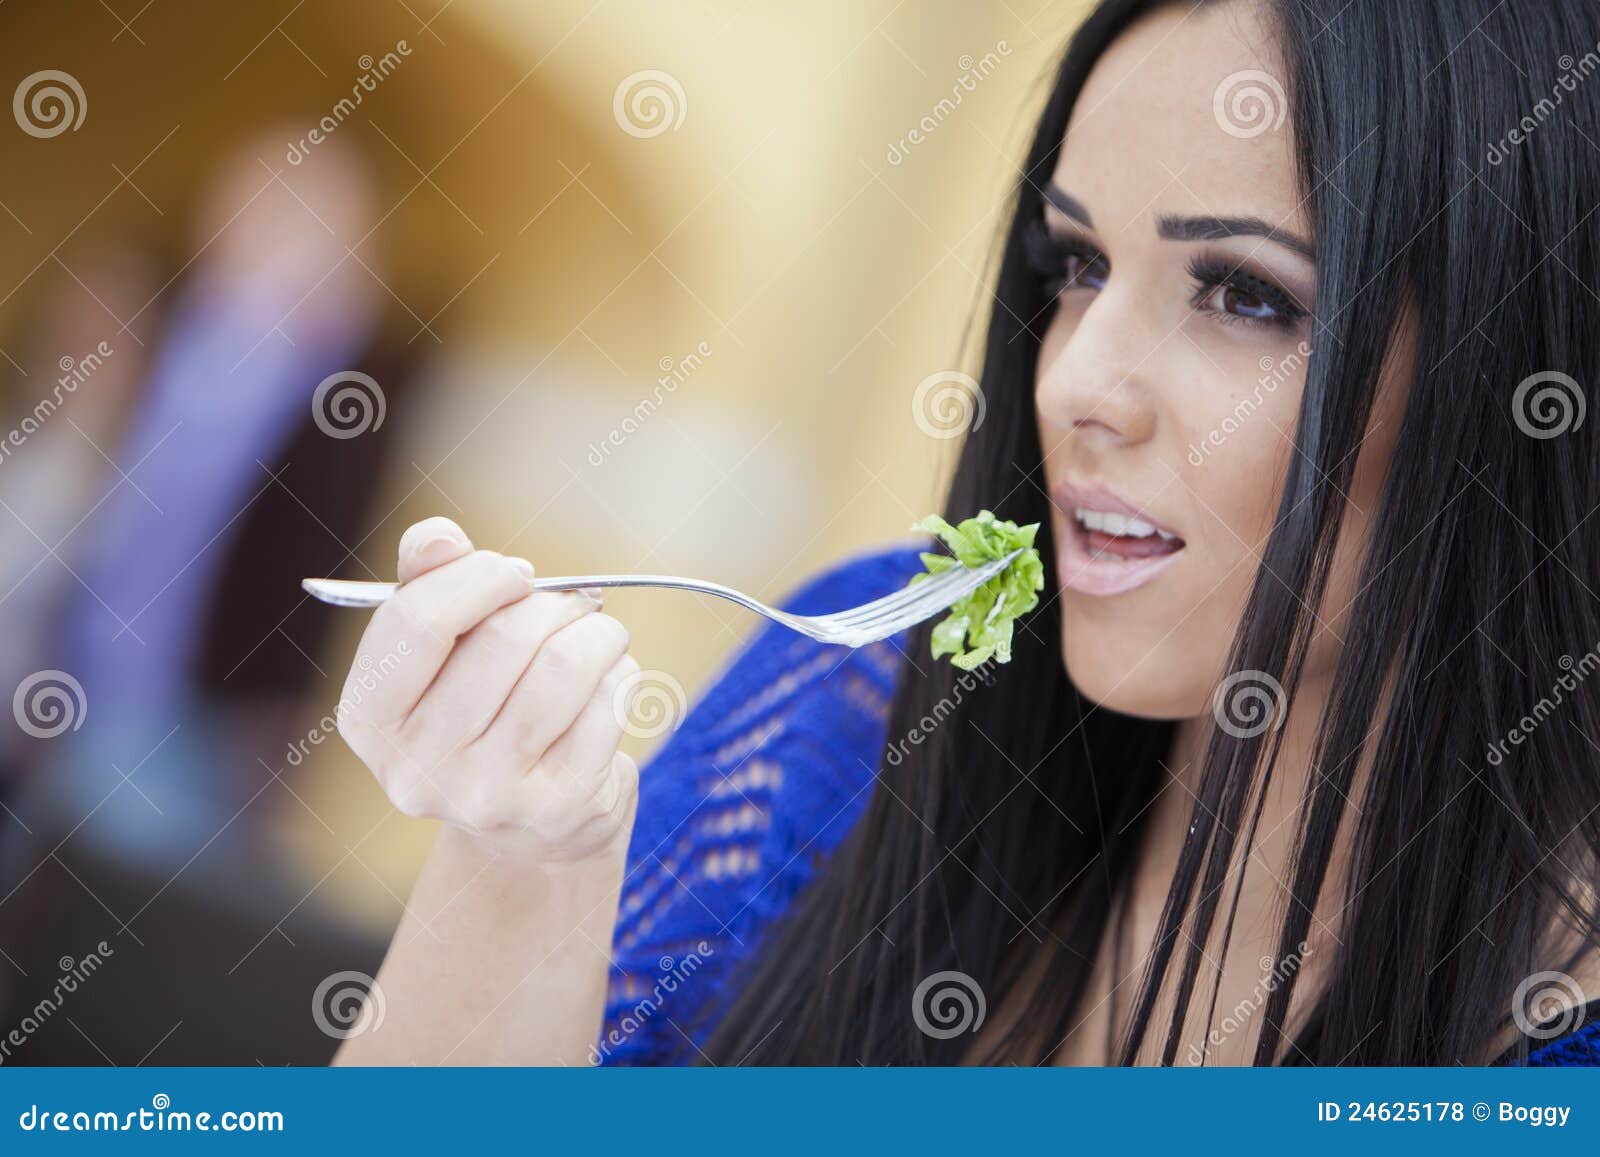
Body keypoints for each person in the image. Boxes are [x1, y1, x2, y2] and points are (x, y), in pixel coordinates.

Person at [331, 0, 1600, 1066]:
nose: (1074, 383)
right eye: (1077, 267)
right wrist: (522, 859)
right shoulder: (855, 709)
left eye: (1244, 293)